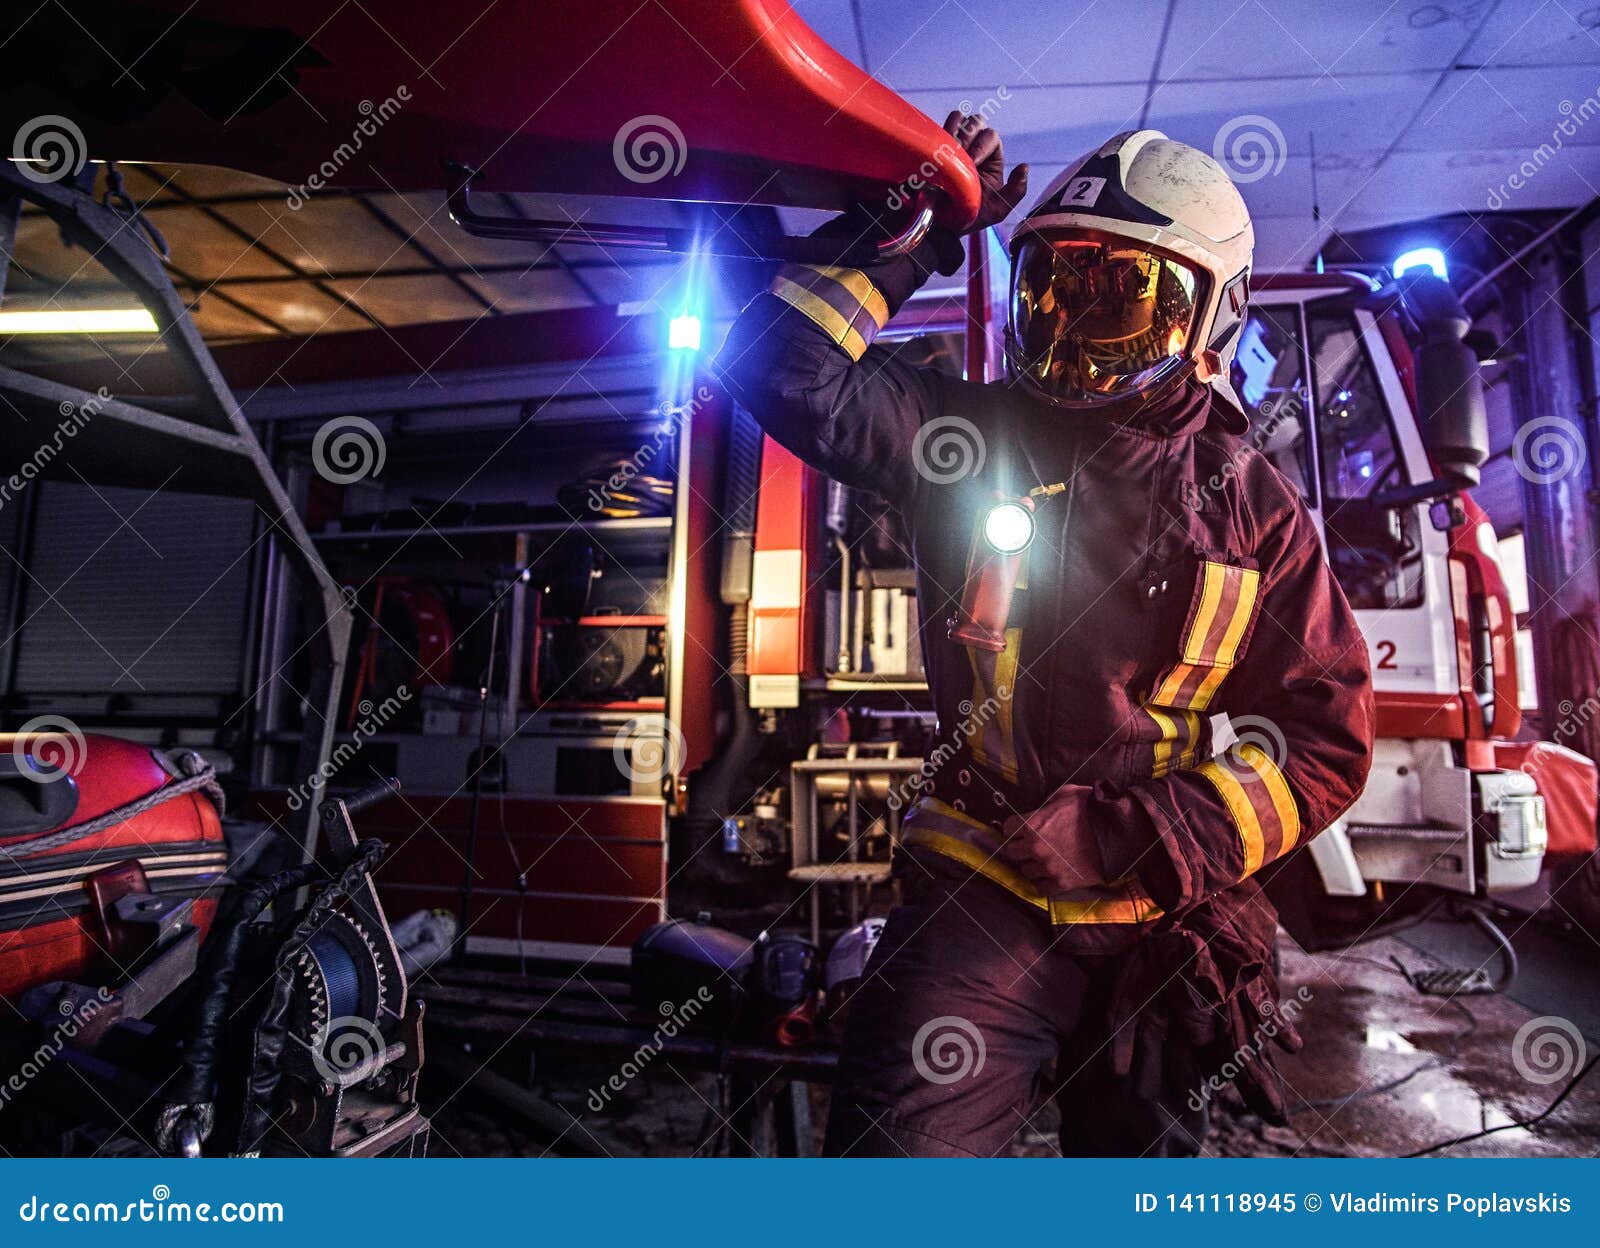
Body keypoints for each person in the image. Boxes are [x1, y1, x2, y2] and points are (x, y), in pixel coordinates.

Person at [715, 114, 1374, 1157]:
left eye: (1119, 301)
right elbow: (777, 364)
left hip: (1163, 921)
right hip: (982, 899)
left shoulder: (1256, 511)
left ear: (1212, 319)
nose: (1072, 328)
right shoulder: (965, 437)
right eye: (1053, 289)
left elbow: (1321, 744)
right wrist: (918, 223)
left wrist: (1133, 839)